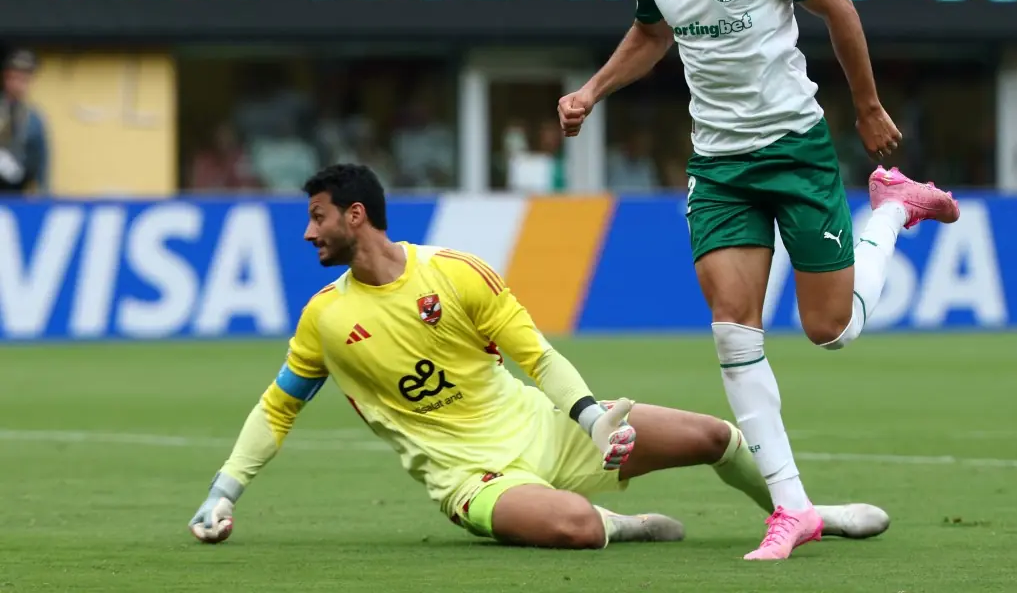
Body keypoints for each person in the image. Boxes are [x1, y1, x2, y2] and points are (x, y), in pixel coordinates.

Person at [556, 0, 959, 560]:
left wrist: (868, 108)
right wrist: (593, 90)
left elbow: (838, 5)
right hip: (719, 167)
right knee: (732, 325)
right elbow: (651, 35)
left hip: (795, 152)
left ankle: (893, 212)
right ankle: (791, 506)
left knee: (829, 330)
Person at [188, 164, 890, 550]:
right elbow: (276, 409)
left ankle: (799, 513)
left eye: (316, 217)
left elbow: (536, 356)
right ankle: (620, 523)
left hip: (548, 431)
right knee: (577, 529)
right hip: (473, 475)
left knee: (714, 436)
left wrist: (589, 419)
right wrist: (224, 493)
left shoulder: (457, 273)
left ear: (356, 216)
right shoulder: (325, 319)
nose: (306, 233)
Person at [0, 49, 50, 195]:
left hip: (17, 193)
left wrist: (41, 193)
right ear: (5, 78)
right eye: (14, 78)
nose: (17, 85)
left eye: (24, 80)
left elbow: (41, 161)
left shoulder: (33, 119)